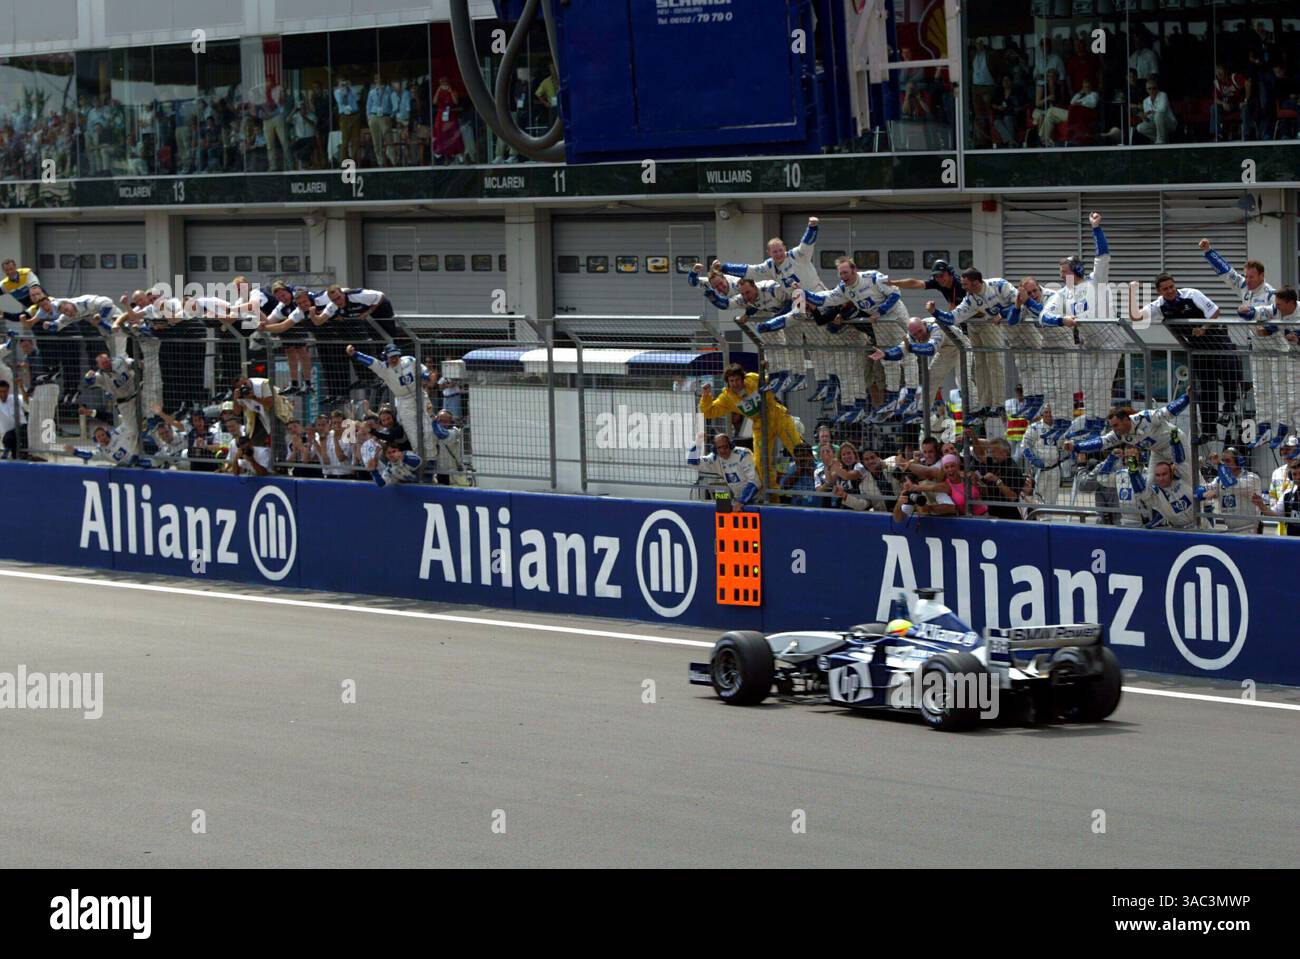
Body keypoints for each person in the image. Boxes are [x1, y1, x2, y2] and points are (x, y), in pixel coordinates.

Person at [1129, 276, 1233, 445]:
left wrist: (1203, 328)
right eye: (1165, 289)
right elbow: (1136, 317)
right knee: (1206, 389)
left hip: (1218, 341)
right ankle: (1209, 430)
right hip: (1198, 349)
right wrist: (1132, 292)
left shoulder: (1191, 294)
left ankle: (1229, 409)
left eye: (1172, 287)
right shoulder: (1159, 305)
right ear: (1159, 291)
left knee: (1229, 374)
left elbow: (1215, 312)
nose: (1170, 291)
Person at [927, 268, 1013, 419]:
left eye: (966, 284)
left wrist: (1002, 314)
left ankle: (999, 405)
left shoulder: (999, 285)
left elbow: (1019, 301)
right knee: (979, 365)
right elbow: (952, 318)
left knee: (995, 363)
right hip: (974, 327)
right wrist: (935, 311)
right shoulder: (970, 298)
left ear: (976, 283)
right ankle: (984, 404)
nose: (963, 287)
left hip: (991, 326)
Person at [699, 363, 804, 482]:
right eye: (731, 381)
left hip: (779, 417)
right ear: (728, 382)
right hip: (761, 427)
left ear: (743, 378)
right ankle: (771, 494)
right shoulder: (727, 398)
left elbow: (773, 383)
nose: (735, 384)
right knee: (760, 463)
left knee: (799, 450)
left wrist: (768, 369)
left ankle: (814, 483)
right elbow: (709, 412)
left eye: (737, 380)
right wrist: (706, 395)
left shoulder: (752, 378)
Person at [1066, 391, 1193, 487]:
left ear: (1126, 419)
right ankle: (1160, 517)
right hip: (1158, 451)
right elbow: (1101, 442)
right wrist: (1076, 446)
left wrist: (1187, 397)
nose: (1114, 429)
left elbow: (1169, 411)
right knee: (1149, 485)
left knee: (1188, 477)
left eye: (1116, 425)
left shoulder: (1146, 417)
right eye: (1112, 426)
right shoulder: (1119, 434)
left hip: (1176, 444)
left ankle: (1203, 508)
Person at [347, 343, 433, 457]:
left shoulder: (409, 360)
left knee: (428, 428)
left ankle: (432, 457)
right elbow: (369, 361)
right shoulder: (383, 368)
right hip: (403, 401)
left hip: (420, 395)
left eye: (396, 355)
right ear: (385, 356)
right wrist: (354, 354)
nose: (394, 359)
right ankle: (420, 459)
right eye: (391, 356)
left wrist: (426, 374)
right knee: (412, 432)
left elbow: (421, 368)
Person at [1201, 447, 1263, 535]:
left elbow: (1232, 484)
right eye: (1223, 461)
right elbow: (1205, 490)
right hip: (1229, 530)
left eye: (1228, 461)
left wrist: (1219, 464)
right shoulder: (1219, 480)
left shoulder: (1252, 478)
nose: (1225, 464)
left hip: (1248, 530)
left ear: (1239, 461)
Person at [687, 431, 759, 506]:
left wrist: (741, 502)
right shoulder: (715, 458)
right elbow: (692, 463)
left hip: (757, 499)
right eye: (719, 448)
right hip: (739, 500)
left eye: (725, 447)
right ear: (715, 449)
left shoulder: (743, 454)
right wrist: (698, 442)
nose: (723, 451)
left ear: (731, 445)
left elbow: (755, 481)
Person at [1131, 460, 1204, 530]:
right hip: (1179, 531)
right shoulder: (1155, 494)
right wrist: (1132, 466)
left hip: (1202, 525)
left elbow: (1181, 461)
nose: (1161, 478)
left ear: (1171, 473)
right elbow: (1141, 492)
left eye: (1164, 474)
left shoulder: (1183, 479)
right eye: (1158, 475)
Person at [1253, 457, 1300, 536]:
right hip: (1293, 541)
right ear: (1291, 476)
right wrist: (1261, 505)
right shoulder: (1287, 495)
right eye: (1295, 474)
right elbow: (1274, 513)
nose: (1298, 477)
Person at [432, 76, 465, 164]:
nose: (444, 86)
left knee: (453, 134)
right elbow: (434, 102)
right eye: (442, 84)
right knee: (442, 136)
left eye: (445, 84)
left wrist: (450, 91)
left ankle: (458, 153)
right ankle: (445, 156)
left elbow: (455, 102)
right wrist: (439, 90)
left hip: (451, 115)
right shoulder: (439, 92)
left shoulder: (453, 91)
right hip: (441, 116)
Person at [1136, 75, 1176, 145]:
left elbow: (1162, 110)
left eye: (1154, 88)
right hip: (1156, 124)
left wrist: (1149, 112)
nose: (1152, 90)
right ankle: (1161, 140)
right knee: (1140, 127)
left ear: (1157, 88)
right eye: (1149, 88)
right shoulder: (1145, 101)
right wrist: (1144, 118)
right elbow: (1149, 120)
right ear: (1146, 90)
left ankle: (1160, 141)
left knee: (1158, 115)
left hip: (1169, 123)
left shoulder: (1163, 95)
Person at [0, 379, 22, 458]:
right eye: (0, 392)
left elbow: (27, 403)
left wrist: (21, 387)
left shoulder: (15, 399)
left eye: (4, 391)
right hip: (6, 437)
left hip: (19, 431)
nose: (2, 394)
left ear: (8, 391)